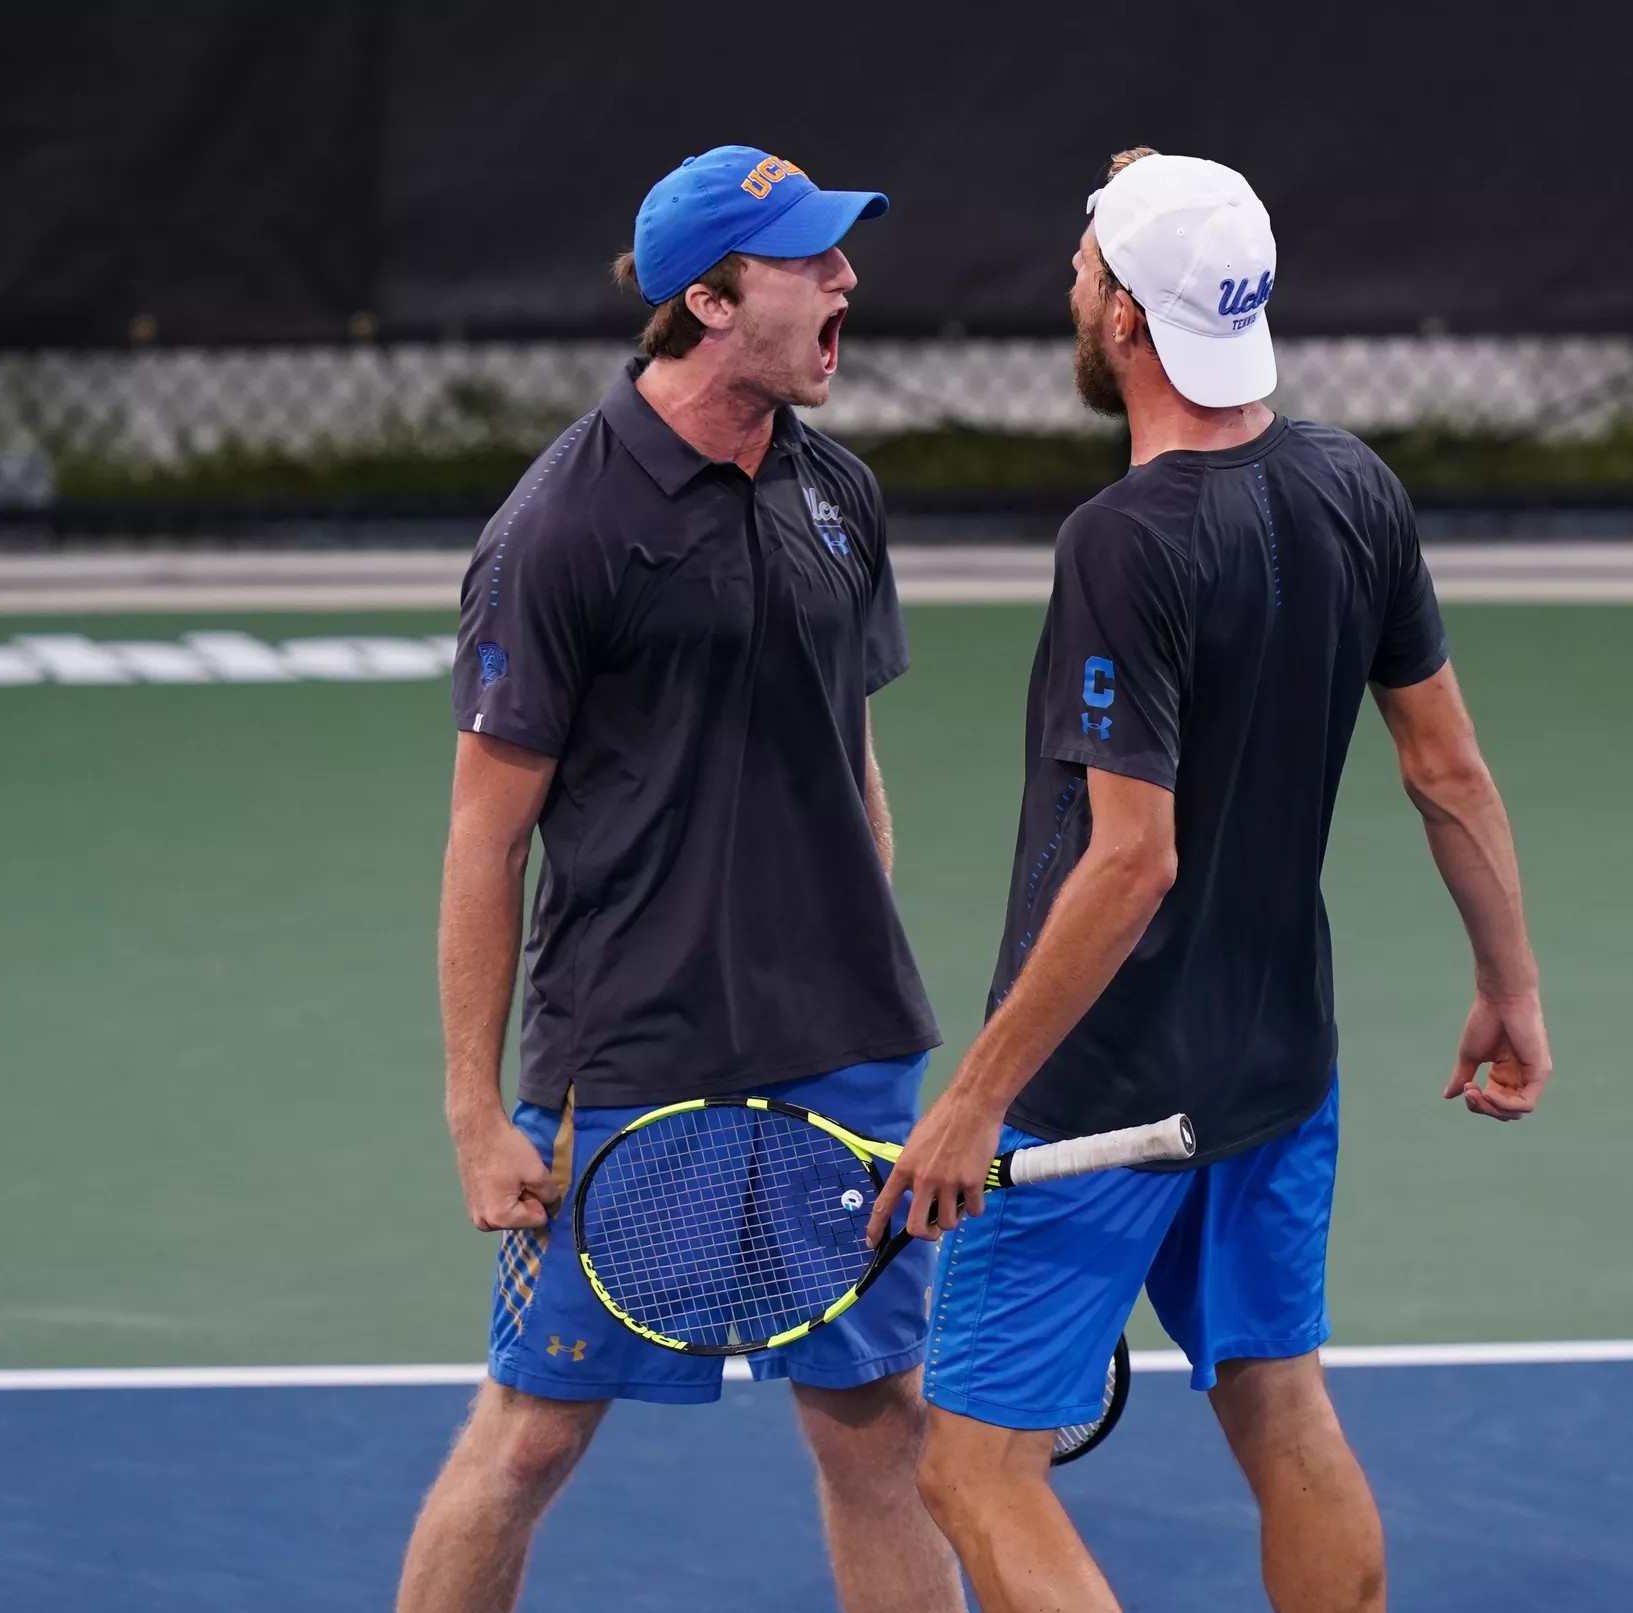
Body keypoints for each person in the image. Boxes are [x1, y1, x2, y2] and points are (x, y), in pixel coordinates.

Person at [870, 150, 1555, 1613]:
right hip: (1275, 1065)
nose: (1069, 282)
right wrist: (1512, 985)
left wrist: (977, 1099)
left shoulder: (1124, 542)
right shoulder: (1353, 486)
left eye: (1085, 268)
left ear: (1125, 320)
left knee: (974, 1470)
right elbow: (1447, 768)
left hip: (1096, 1091)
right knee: (1282, 1410)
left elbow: (1133, 858)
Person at [398, 145, 963, 1613]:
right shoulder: (562, 528)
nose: (847, 280)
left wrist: (862, 964)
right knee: (529, 1437)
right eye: (810, 261)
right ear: (709, 300)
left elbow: (850, 756)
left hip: (841, 1055)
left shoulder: (838, 491)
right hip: (634, 1061)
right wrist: (475, 1110)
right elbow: (485, 836)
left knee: (878, 1432)